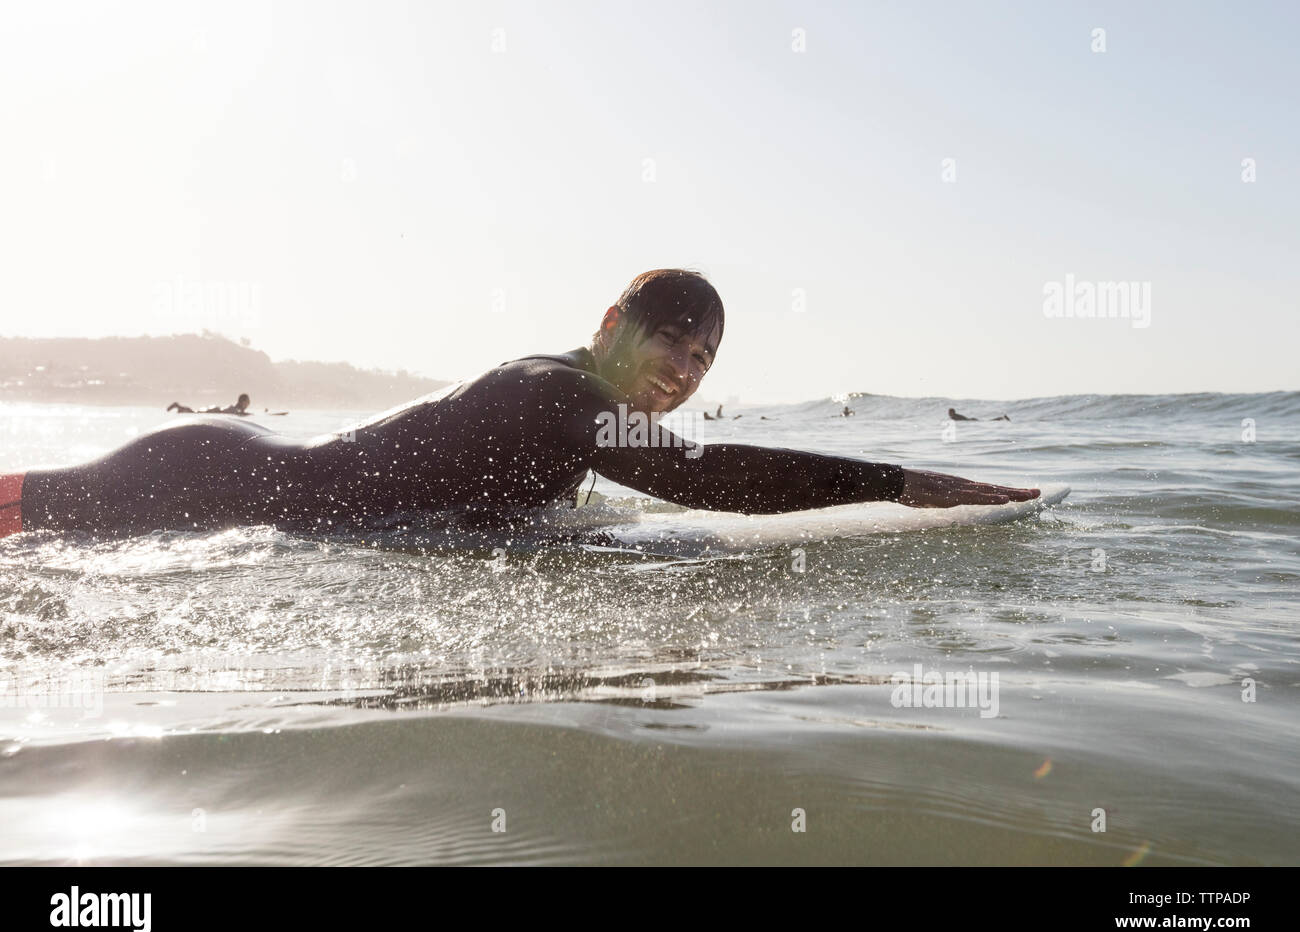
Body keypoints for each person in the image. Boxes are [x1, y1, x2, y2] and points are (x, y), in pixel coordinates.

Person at [0, 270, 1037, 539]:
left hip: (238, 469)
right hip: (209, 477)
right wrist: (901, 482)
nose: (686, 363)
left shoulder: (584, 409)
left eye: (705, 353)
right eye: (672, 334)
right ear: (610, 322)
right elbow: (703, 476)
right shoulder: (557, 395)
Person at [167, 394, 253, 416]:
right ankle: (178, 406)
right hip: (216, 411)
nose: (248, 404)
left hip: (216, 410)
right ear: (243, 401)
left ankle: (179, 408)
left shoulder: (237, 408)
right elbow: (238, 413)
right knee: (195, 413)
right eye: (248, 402)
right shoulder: (237, 409)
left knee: (194, 412)